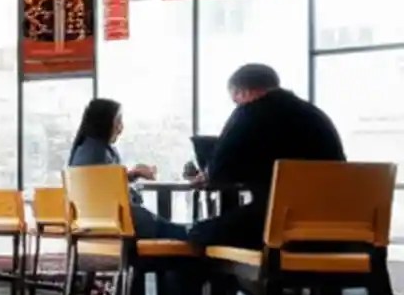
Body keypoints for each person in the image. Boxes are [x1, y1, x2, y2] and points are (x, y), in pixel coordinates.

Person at [189, 63, 346, 248]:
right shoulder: (316, 116)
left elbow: (219, 172)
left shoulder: (249, 113)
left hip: (279, 229)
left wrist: (207, 173)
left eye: (235, 100)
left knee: (195, 235)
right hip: (334, 227)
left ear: (243, 92)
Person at [68, 98, 187, 241]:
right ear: (103, 122)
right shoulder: (99, 152)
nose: (121, 128)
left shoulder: (84, 150)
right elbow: (110, 192)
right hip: (119, 222)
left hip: (94, 223)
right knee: (184, 233)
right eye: (118, 121)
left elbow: (100, 185)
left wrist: (131, 175)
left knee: (176, 229)